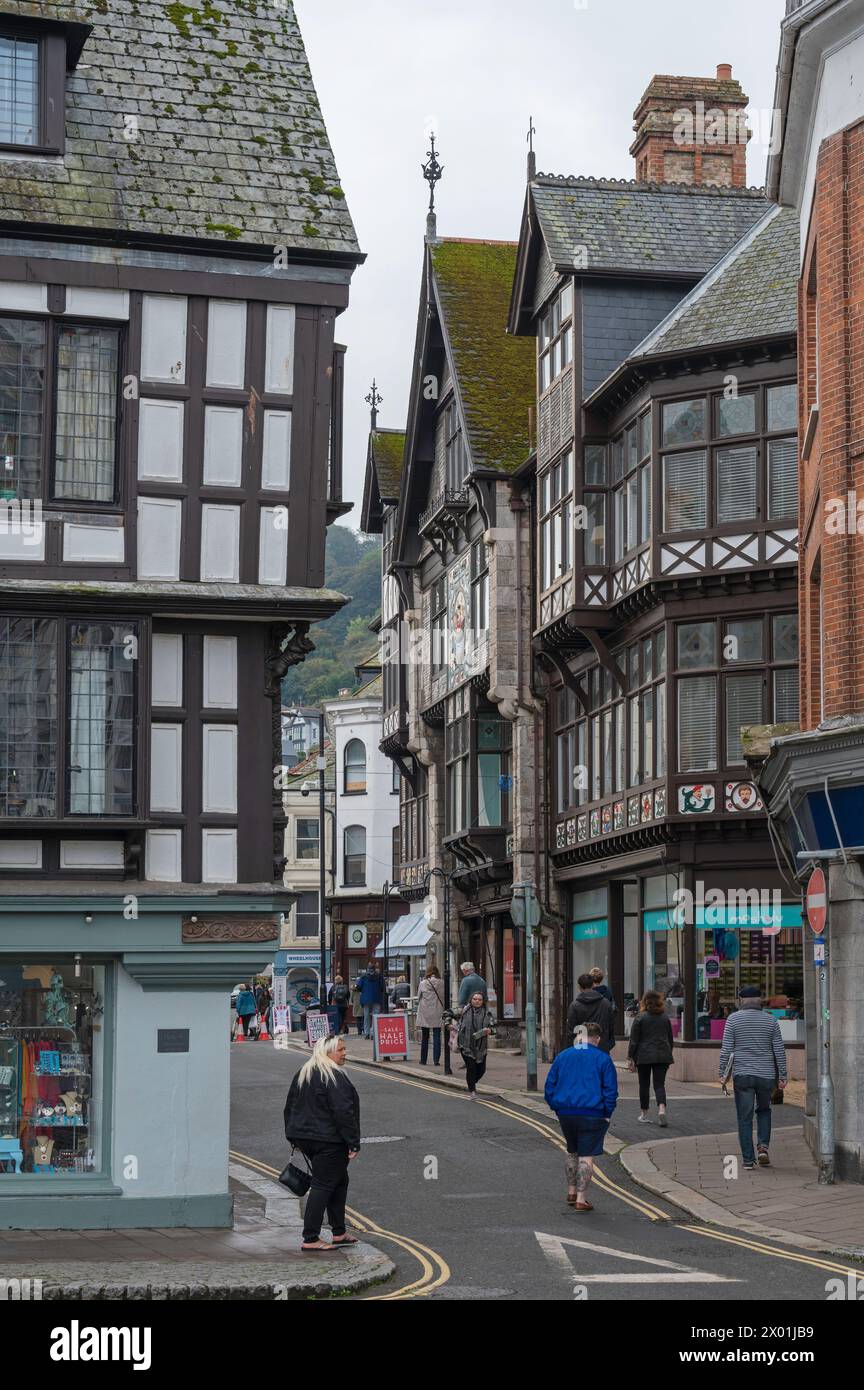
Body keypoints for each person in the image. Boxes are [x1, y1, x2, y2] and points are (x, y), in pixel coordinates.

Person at [283, 1034, 360, 1252]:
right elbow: (344, 1112)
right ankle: (311, 1237)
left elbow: (289, 1107)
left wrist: (293, 1137)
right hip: (329, 1140)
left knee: (339, 1180)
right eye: (341, 1050)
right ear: (328, 1052)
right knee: (322, 1185)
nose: (345, 1053)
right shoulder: (334, 1076)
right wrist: (353, 1143)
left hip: (306, 1138)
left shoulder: (304, 1072)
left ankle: (339, 1232)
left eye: (344, 1049)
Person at [544, 1021, 618, 1212]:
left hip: (566, 1112)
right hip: (593, 1113)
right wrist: (607, 1114)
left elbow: (549, 1087)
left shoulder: (562, 1056)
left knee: (571, 1151)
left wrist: (556, 1106)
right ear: (597, 1039)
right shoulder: (603, 1059)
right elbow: (610, 1091)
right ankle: (581, 1199)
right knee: (586, 1156)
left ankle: (570, 1191)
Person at [718, 985, 787, 1169]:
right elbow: (779, 1050)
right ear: (760, 1001)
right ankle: (763, 1148)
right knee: (764, 1111)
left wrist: (721, 1073)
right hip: (766, 1076)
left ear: (741, 1001)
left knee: (744, 1117)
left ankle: (748, 1160)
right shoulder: (771, 1021)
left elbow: (726, 1050)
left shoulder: (733, 1020)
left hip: (743, 1075)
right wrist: (783, 1075)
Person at [627, 990, 674, 1126]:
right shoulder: (665, 1018)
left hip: (644, 1055)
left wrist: (630, 1057)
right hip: (663, 1054)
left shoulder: (640, 1017)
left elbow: (634, 1040)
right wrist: (668, 1052)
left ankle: (644, 1113)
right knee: (659, 1084)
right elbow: (670, 1039)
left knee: (644, 1084)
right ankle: (661, 1109)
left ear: (644, 1002)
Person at [457, 991, 496, 1098]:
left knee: (481, 1070)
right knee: (471, 1068)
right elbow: (446, 1013)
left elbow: (494, 1029)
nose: (477, 1001)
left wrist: (490, 1030)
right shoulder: (463, 1011)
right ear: (471, 1000)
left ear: (483, 1002)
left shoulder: (487, 1014)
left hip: (481, 1047)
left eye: (479, 999)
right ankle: (472, 1091)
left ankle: (471, 1083)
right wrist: (448, 1025)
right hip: (466, 1045)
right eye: (474, 999)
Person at [566, 973, 615, 1053]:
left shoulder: (574, 1006)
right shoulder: (606, 1004)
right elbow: (611, 1027)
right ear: (593, 985)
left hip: (581, 1048)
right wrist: (608, 1044)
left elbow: (571, 1032)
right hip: (601, 1046)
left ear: (579, 987)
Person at [416, 965, 445, 1066]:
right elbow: (443, 997)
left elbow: (418, 996)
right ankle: (436, 1061)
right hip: (437, 1011)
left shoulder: (423, 983)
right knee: (437, 1036)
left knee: (425, 1036)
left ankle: (423, 1060)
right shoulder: (441, 983)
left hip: (425, 1012)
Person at [359, 963, 384, 1039]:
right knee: (375, 1016)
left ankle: (367, 1033)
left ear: (367, 969)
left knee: (366, 1016)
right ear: (375, 969)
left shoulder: (363, 977)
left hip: (366, 999)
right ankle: (373, 1033)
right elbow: (382, 987)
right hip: (376, 998)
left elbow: (359, 987)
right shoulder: (379, 977)